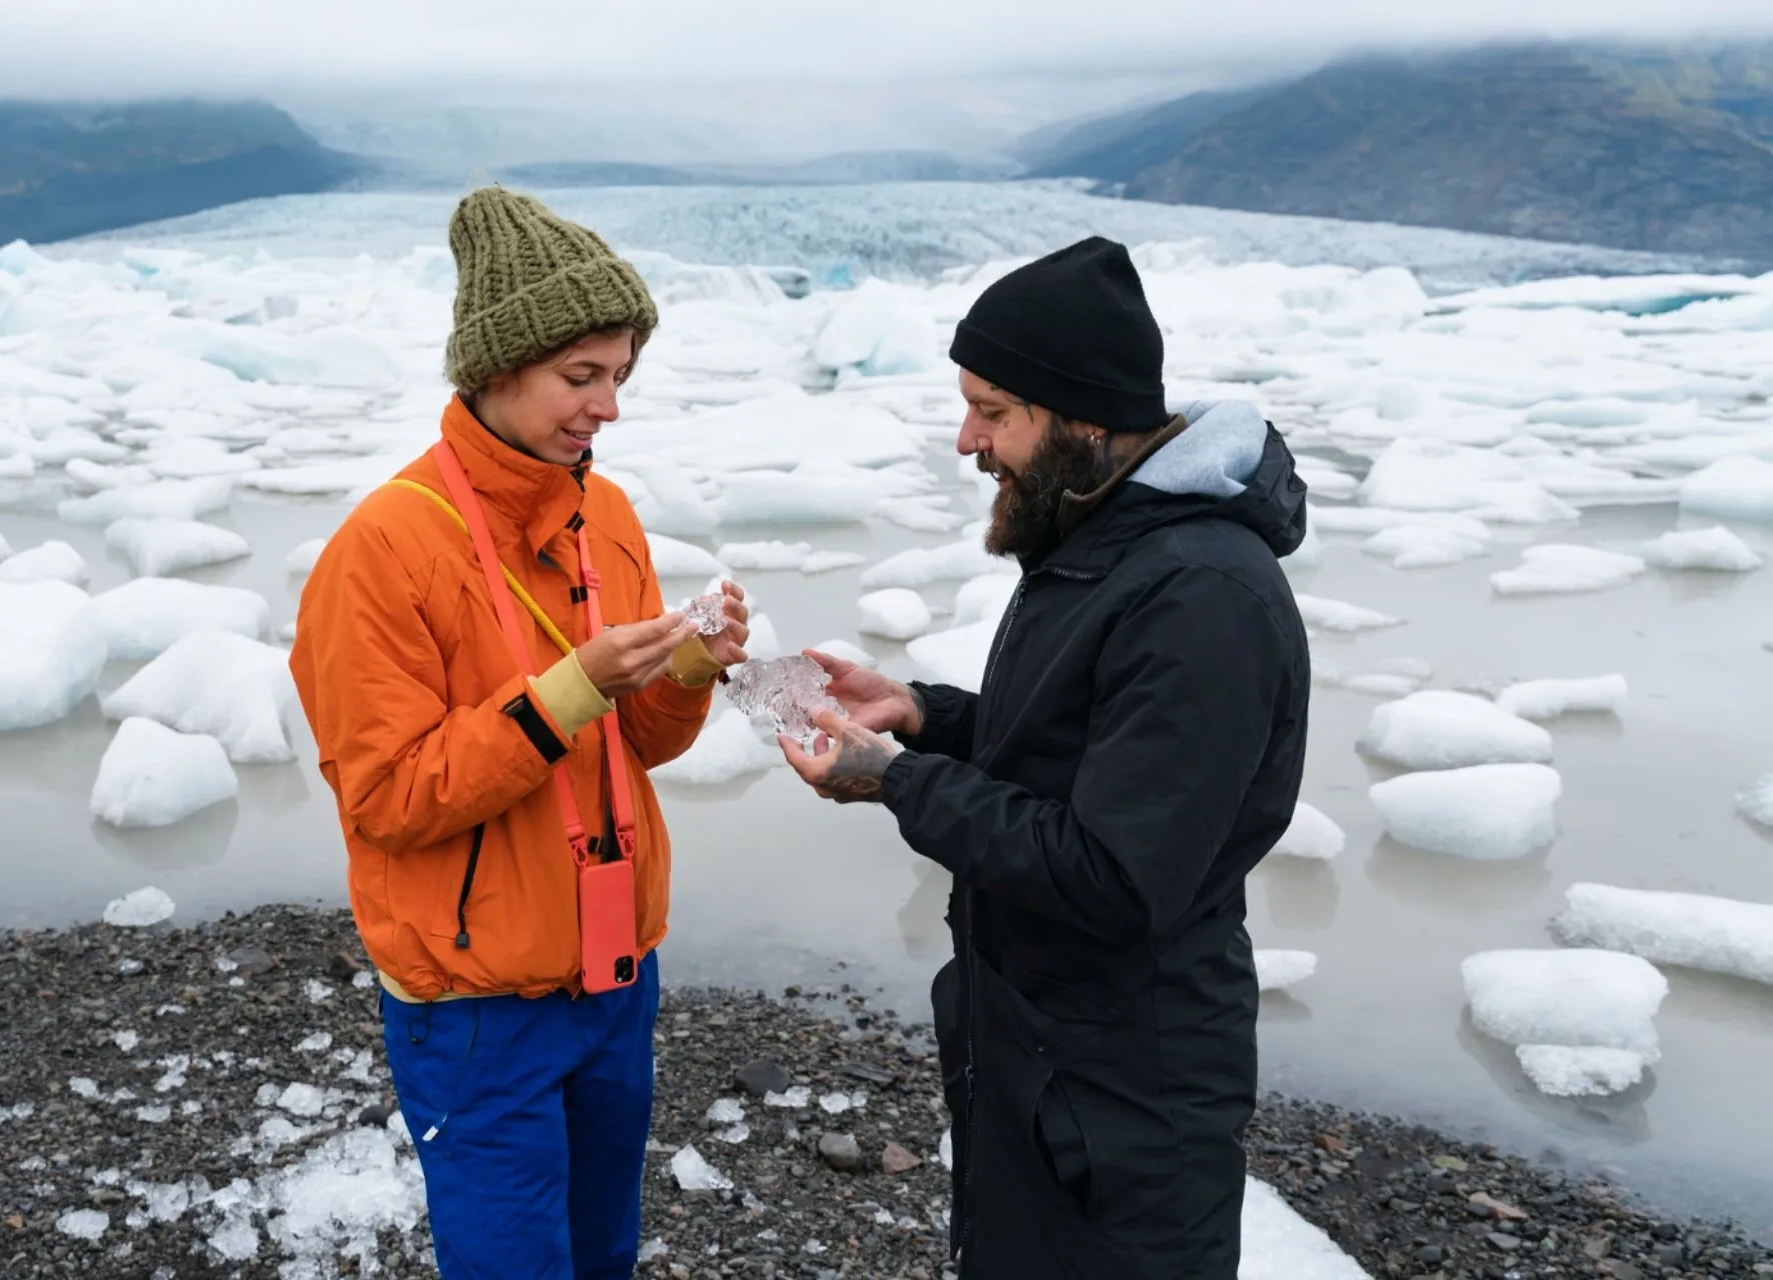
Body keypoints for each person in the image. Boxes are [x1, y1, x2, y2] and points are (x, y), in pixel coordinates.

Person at [782, 236, 1311, 1277]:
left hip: (1125, 1097)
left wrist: (895, 780)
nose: (966, 438)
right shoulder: (1108, 539)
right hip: (1048, 1055)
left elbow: (1113, 873)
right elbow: (1078, 746)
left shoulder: (1200, 594)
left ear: (1082, 415)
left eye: (993, 410)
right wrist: (922, 716)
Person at [289, 188, 749, 1280]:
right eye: (580, 377)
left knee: (603, 1251)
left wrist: (686, 668)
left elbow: (639, 746)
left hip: (614, 971)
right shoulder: (386, 548)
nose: (609, 408)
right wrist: (562, 695)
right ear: (496, 366)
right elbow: (389, 798)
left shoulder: (609, 515)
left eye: (620, 377)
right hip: (475, 999)